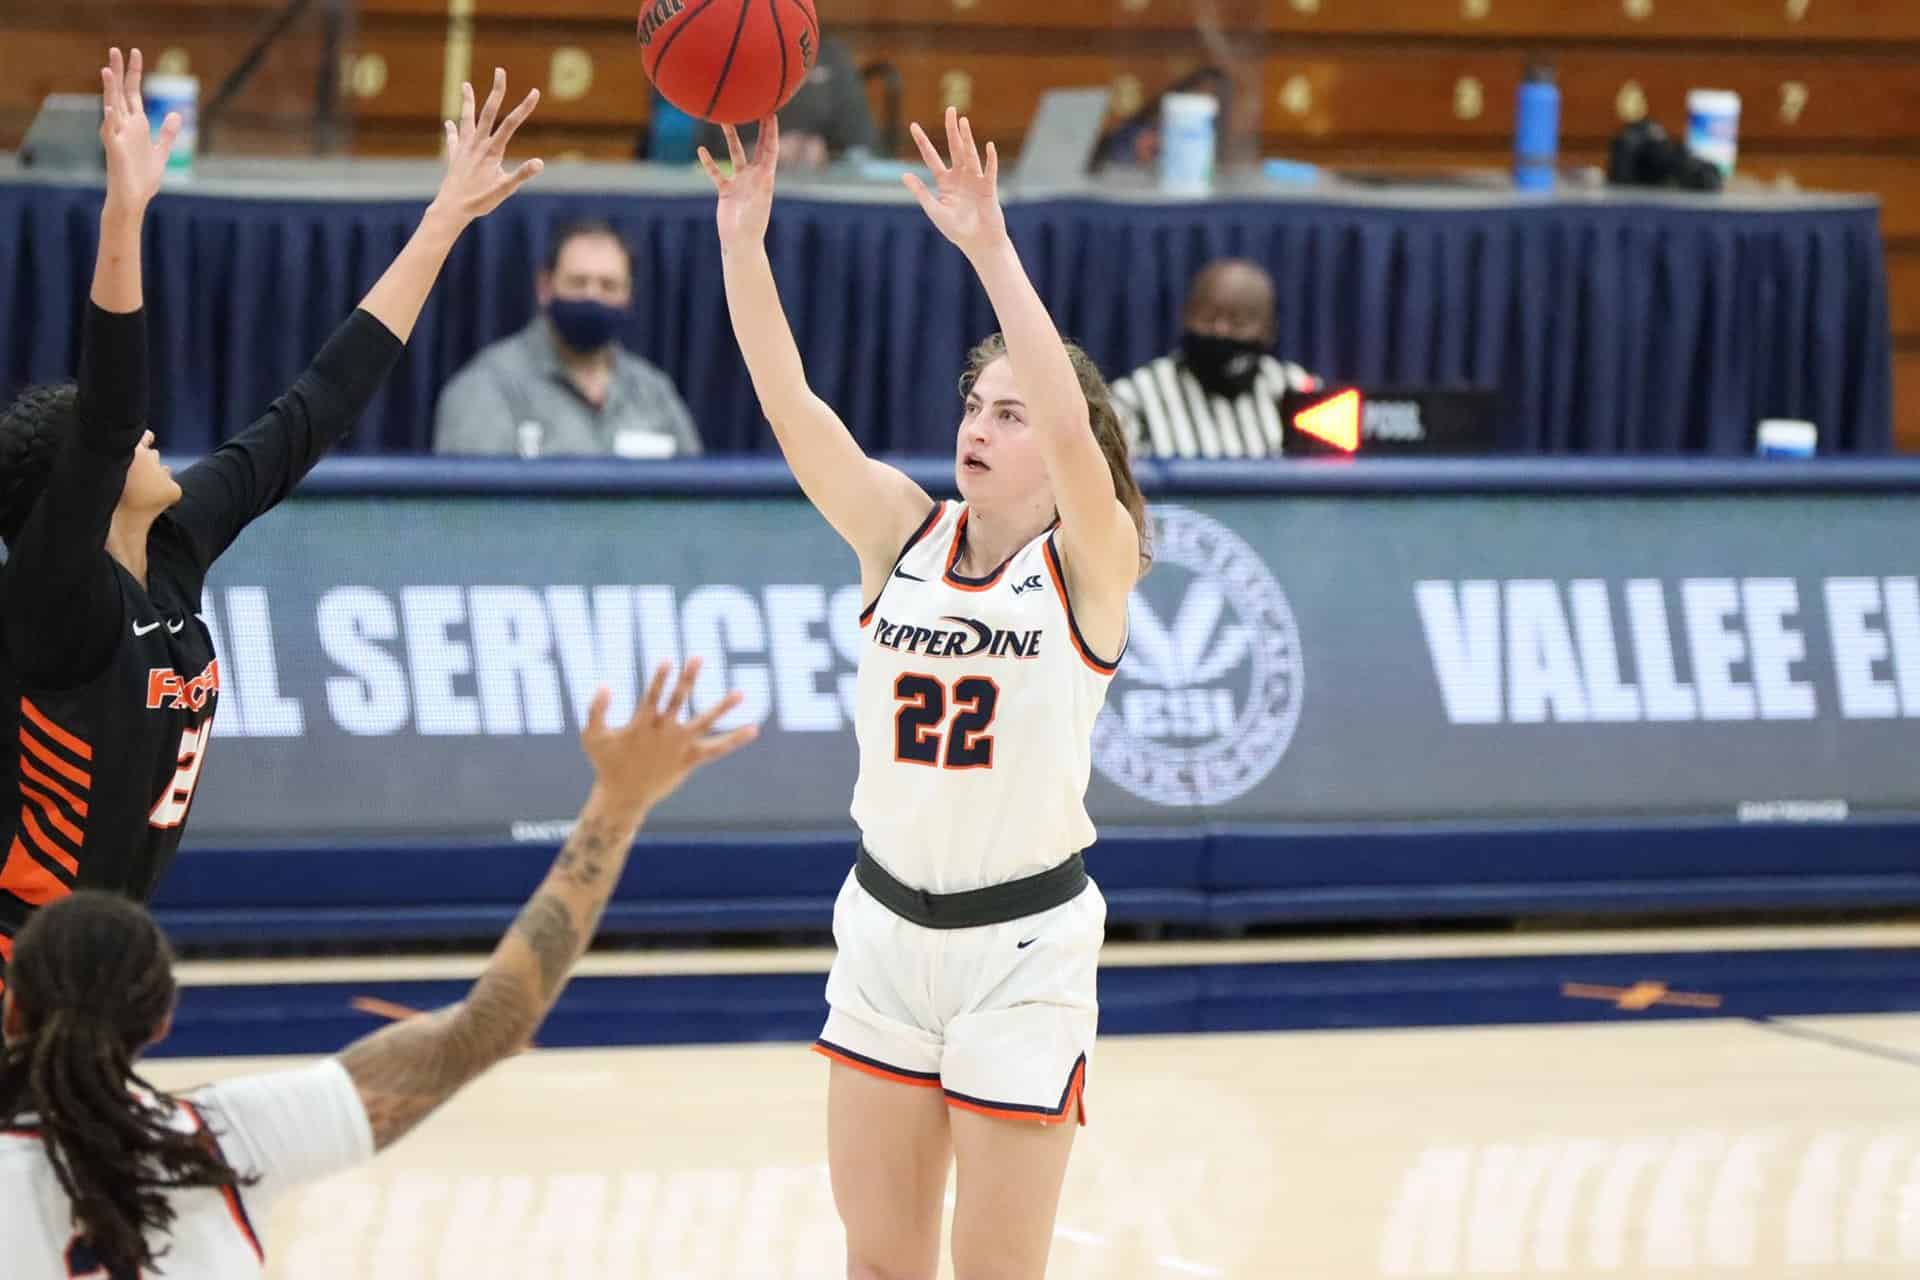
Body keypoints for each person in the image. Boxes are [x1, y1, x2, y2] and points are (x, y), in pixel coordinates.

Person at [700, 110, 1149, 1280]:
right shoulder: (900, 530)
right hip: (885, 933)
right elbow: (791, 406)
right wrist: (743, 243)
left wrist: (991, 250)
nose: (979, 428)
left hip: (1021, 950)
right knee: (880, 1264)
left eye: (1010, 413)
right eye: (973, 406)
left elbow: (1070, 423)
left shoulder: (1089, 561)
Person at [0, 52, 545, 978]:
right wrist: (124, 213)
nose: (149, 436)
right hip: (20, 956)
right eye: (123, 441)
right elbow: (111, 410)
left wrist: (444, 220)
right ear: (81, 486)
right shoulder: (54, 601)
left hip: (100, 959)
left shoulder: (171, 547)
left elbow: (316, 407)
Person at [0, 657, 756, 1277]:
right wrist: (618, 804)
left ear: (12, 1008)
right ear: (161, 1021)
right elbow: (492, 1022)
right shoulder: (231, 1140)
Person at [431, 218, 701, 459]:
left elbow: (695, 488)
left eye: (608, 285)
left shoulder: (654, 393)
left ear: (628, 295)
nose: (592, 296)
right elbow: (473, 496)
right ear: (545, 288)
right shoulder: (487, 386)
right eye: (578, 282)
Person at [1109, 257, 1320, 460]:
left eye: (1238, 322)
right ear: (1185, 317)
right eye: (1207, 319)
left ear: (1268, 330)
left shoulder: (1300, 389)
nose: (1221, 331)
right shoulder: (1134, 397)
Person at [691, 36, 877, 172]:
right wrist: (751, 156)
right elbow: (703, 152)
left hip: (816, 187)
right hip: (743, 187)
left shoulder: (831, 58)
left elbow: (860, 148)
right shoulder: (724, 60)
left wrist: (827, 155)